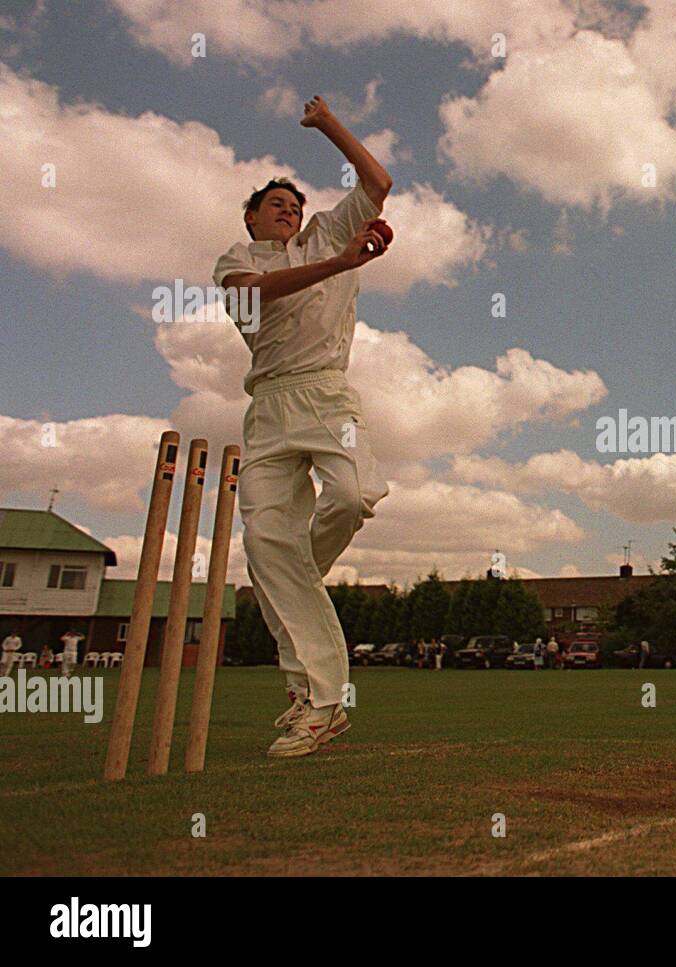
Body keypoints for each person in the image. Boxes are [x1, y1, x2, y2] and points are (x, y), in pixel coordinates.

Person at [213, 95, 392, 758]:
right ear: (253, 216)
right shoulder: (240, 258)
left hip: (324, 397)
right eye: (275, 204)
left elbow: (378, 184)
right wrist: (342, 265)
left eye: (294, 202)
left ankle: (292, 588)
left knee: (351, 497)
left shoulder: (327, 232)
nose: (288, 210)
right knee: (265, 540)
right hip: (268, 408)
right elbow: (253, 294)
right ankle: (320, 704)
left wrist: (328, 126)